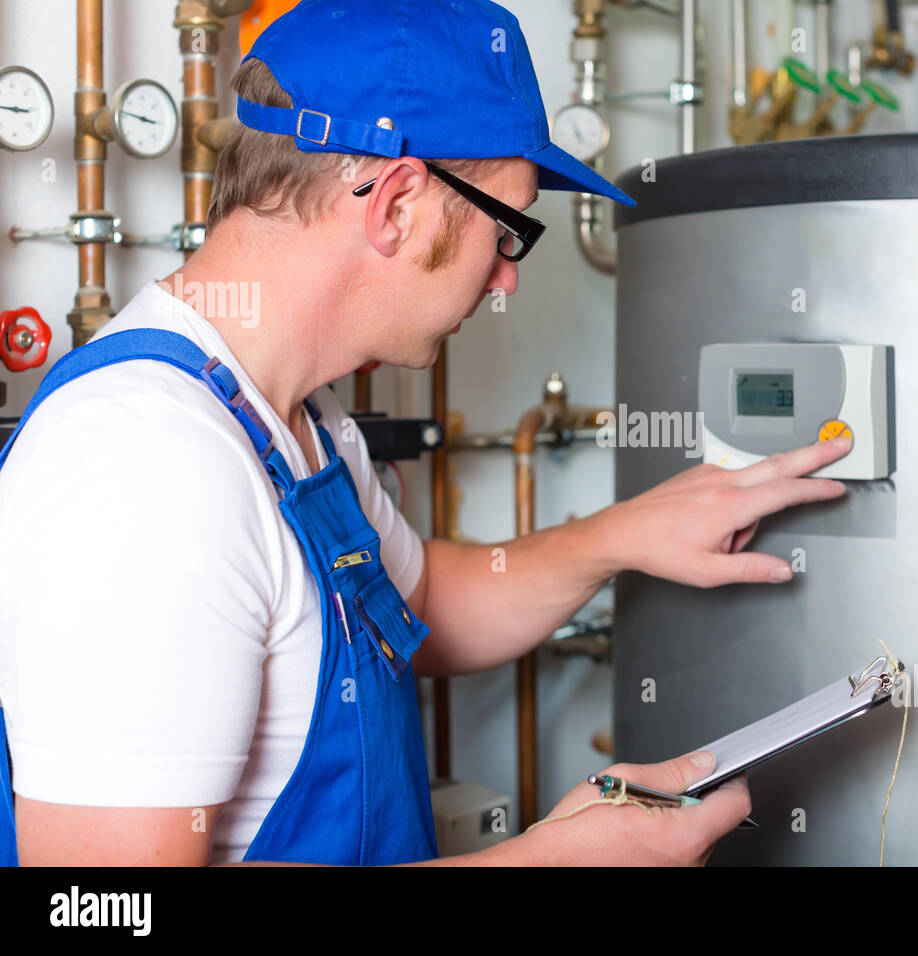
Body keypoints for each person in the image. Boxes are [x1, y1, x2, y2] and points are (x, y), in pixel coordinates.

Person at [0, 0, 850, 866]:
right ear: (397, 204)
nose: (507, 281)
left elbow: (419, 606)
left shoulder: (300, 416)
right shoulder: (146, 467)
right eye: (508, 231)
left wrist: (624, 535)